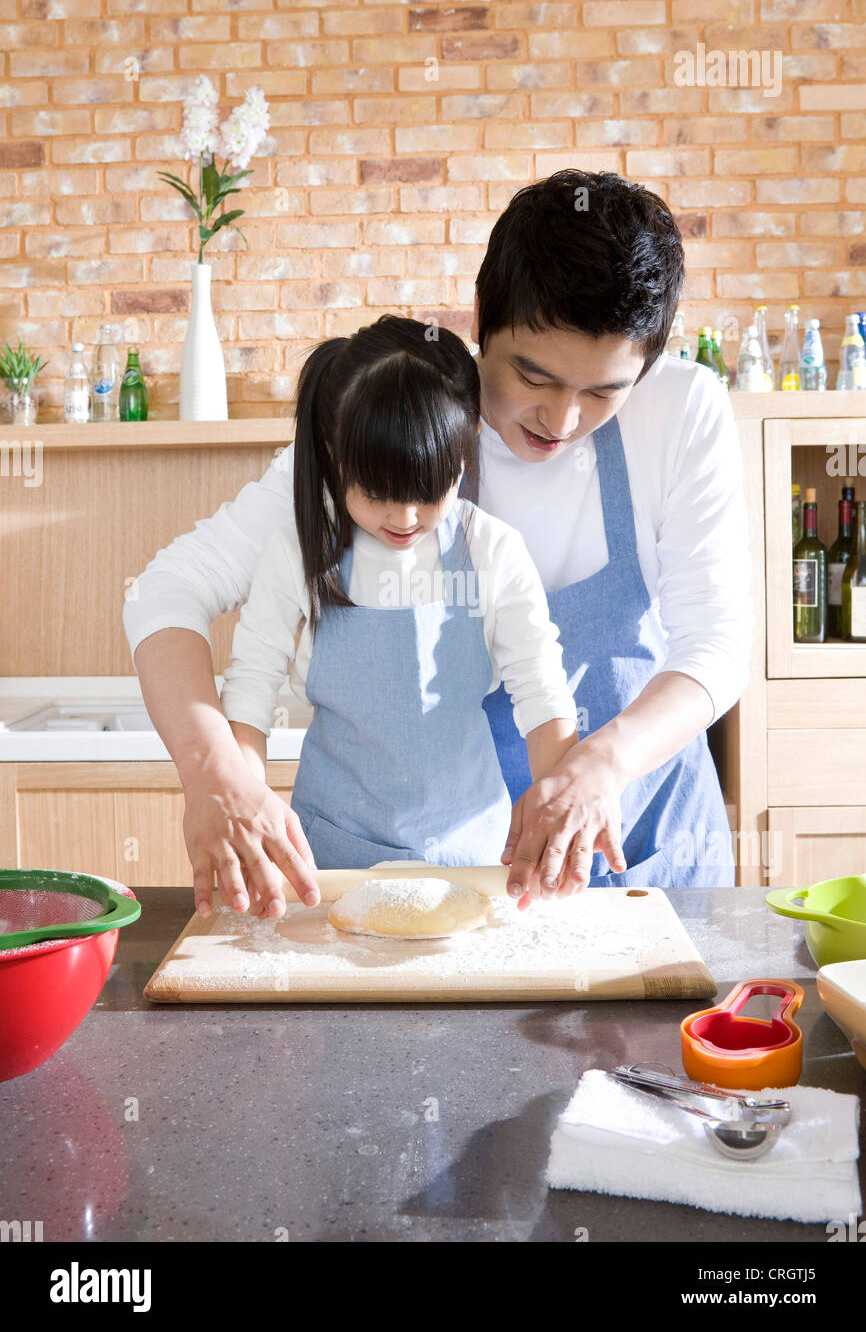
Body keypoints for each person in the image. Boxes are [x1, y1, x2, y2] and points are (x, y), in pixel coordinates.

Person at [123, 169, 749, 916]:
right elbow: (167, 592)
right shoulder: (393, 428)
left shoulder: (682, 410)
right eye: (532, 375)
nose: (562, 418)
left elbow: (715, 643)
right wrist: (216, 771)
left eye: (603, 391)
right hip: (468, 870)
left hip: (649, 838)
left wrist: (601, 767)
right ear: (483, 314)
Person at [215, 315, 580, 910]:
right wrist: (244, 802)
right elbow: (251, 687)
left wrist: (562, 798)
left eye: (432, 493)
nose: (406, 518)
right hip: (330, 859)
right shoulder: (297, 551)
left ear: (464, 457)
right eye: (379, 494)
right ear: (336, 458)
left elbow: (540, 692)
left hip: (473, 860)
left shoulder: (492, 551)